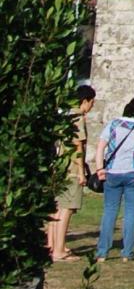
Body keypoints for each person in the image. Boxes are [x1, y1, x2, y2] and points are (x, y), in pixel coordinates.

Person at [95, 96, 134, 262]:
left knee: (109, 211)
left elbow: (101, 146)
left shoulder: (113, 124)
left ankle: (102, 252)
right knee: (131, 212)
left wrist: (100, 168)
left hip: (112, 173)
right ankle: (127, 253)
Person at [44, 82, 96, 263]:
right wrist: (81, 172)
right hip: (71, 170)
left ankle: (52, 245)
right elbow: (77, 145)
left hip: (60, 167)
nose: (91, 106)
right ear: (85, 101)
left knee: (57, 209)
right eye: (91, 102)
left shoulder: (65, 116)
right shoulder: (78, 118)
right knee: (67, 209)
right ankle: (58, 250)